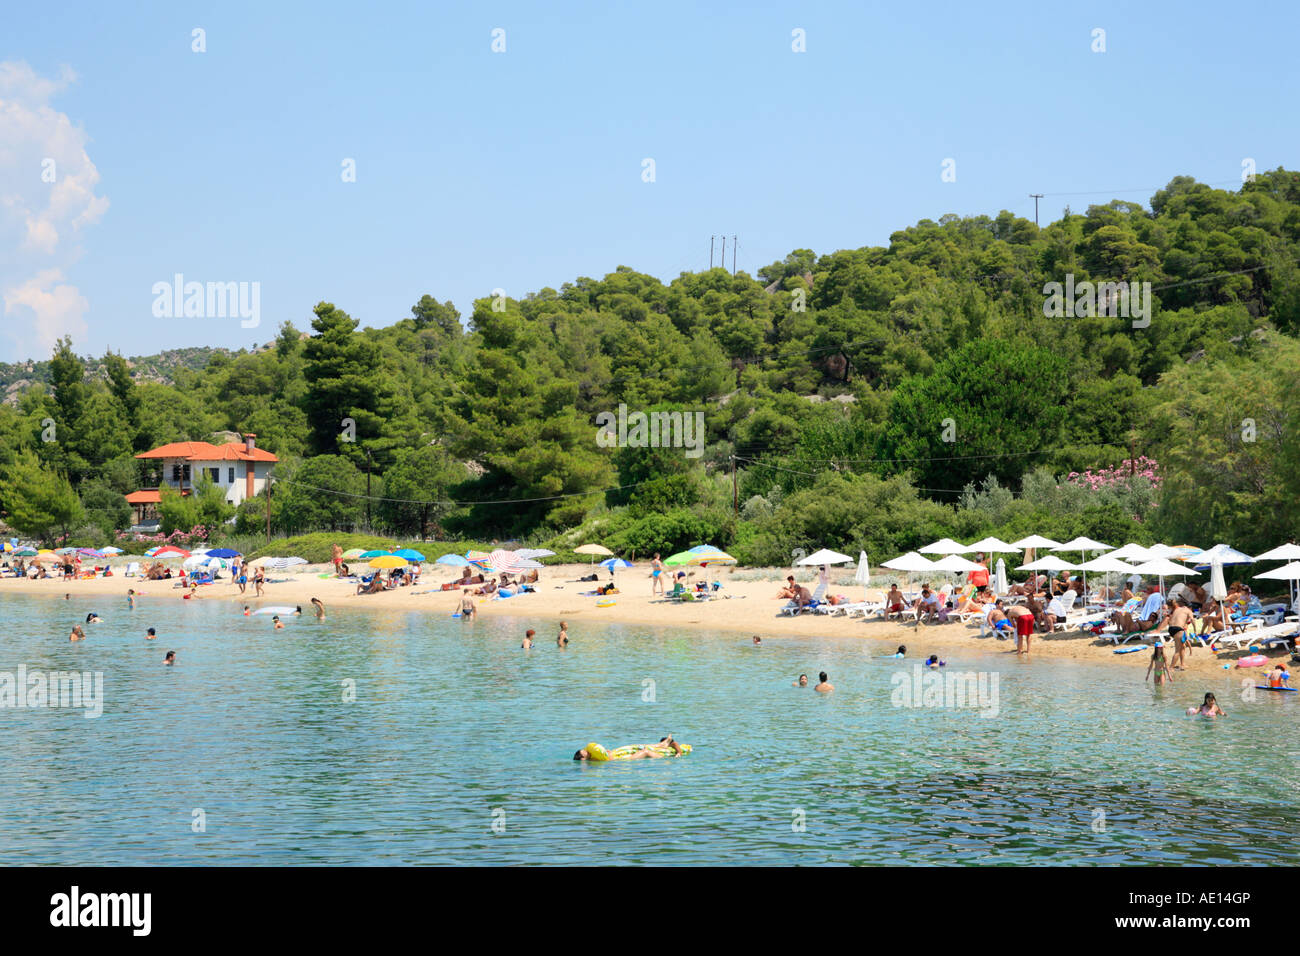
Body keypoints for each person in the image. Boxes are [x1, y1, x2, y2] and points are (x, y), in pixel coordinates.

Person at [573, 734, 686, 761]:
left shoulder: (672, 747)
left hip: (623, 757)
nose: (587, 752)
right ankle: (663, 743)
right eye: (585, 752)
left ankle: (664, 742)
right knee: (643, 747)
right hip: (617, 754)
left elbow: (676, 745)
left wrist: (679, 753)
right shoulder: (591, 759)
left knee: (645, 750)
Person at [1162, 598, 1196, 670]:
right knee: (1177, 650)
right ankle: (1171, 667)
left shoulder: (1177, 609)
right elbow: (1193, 620)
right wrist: (1195, 630)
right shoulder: (1188, 611)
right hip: (1178, 629)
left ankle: (1182, 664)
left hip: (1171, 629)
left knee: (1182, 646)